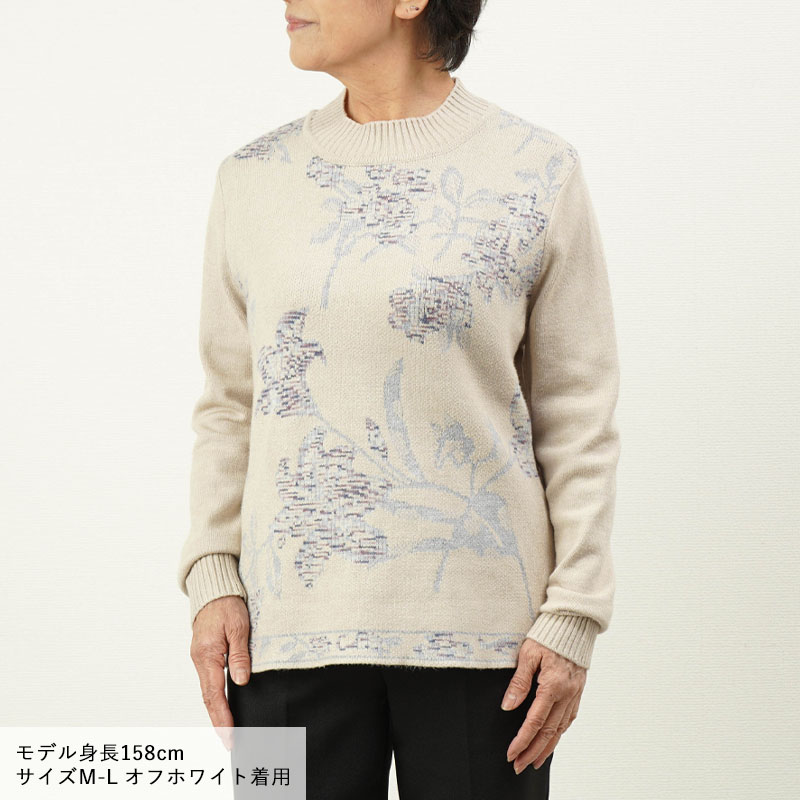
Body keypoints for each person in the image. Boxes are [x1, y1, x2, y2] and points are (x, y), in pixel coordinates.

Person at [177, 1, 621, 797]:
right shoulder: (252, 179)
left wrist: (574, 616)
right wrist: (212, 575)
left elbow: (577, 414)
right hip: (283, 634)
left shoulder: (537, 169)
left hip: (490, 648)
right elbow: (229, 404)